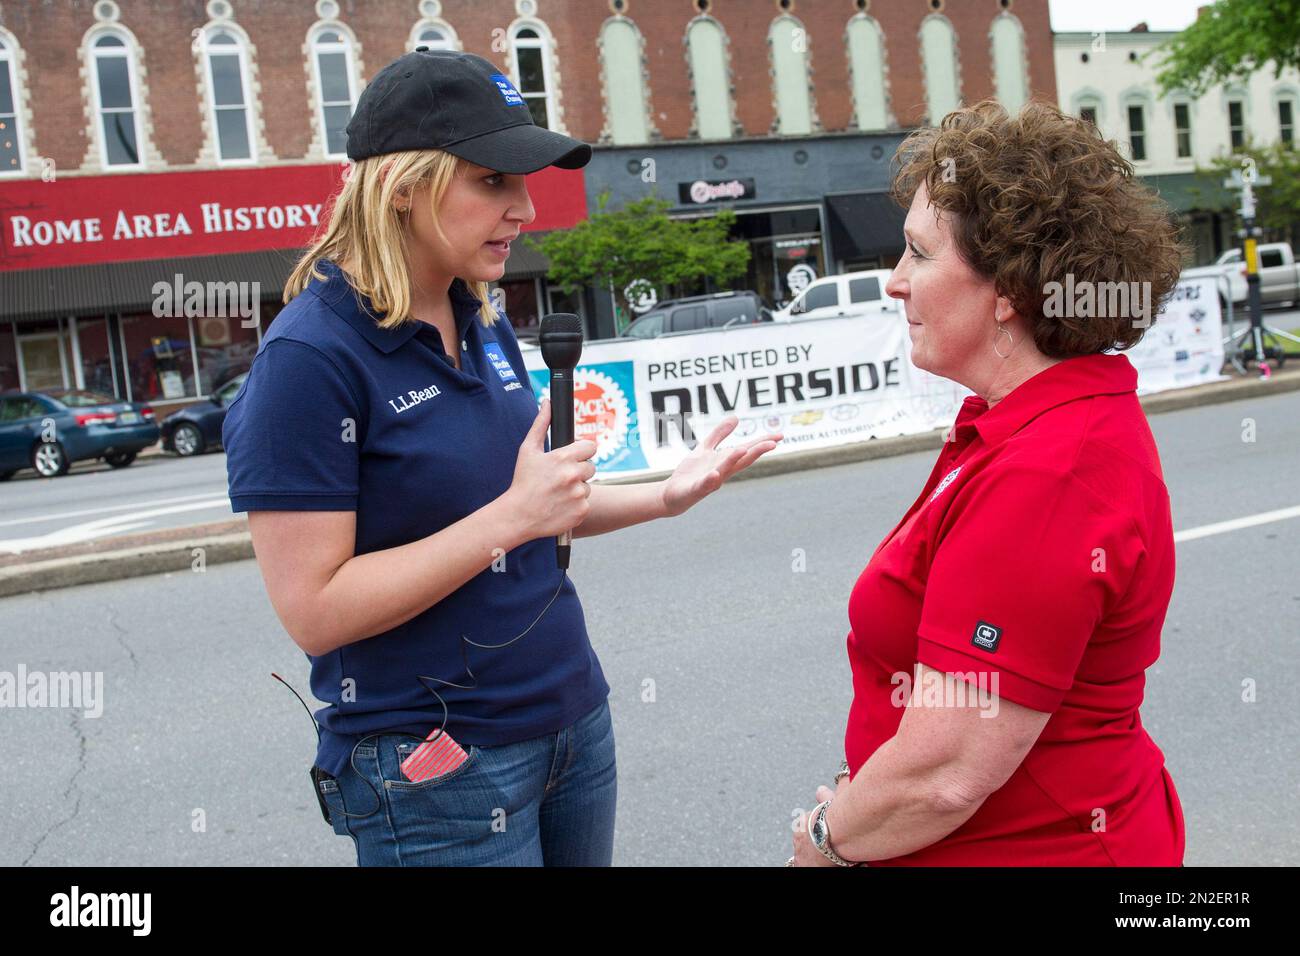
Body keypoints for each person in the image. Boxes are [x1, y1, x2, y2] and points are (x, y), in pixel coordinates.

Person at [222, 48, 780, 867]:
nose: (524, 208)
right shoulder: (309, 359)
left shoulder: (475, 315)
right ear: (402, 187)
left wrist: (667, 494)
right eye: (494, 181)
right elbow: (315, 608)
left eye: (526, 183)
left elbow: (536, 506)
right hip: (438, 767)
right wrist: (511, 517)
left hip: (572, 723)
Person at [790, 99, 1186, 866]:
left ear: (1009, 288)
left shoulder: (1049, 469)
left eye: (918, 254)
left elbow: (945, 775)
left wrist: (824, 842)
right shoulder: (1015, 421)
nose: (894, 282)